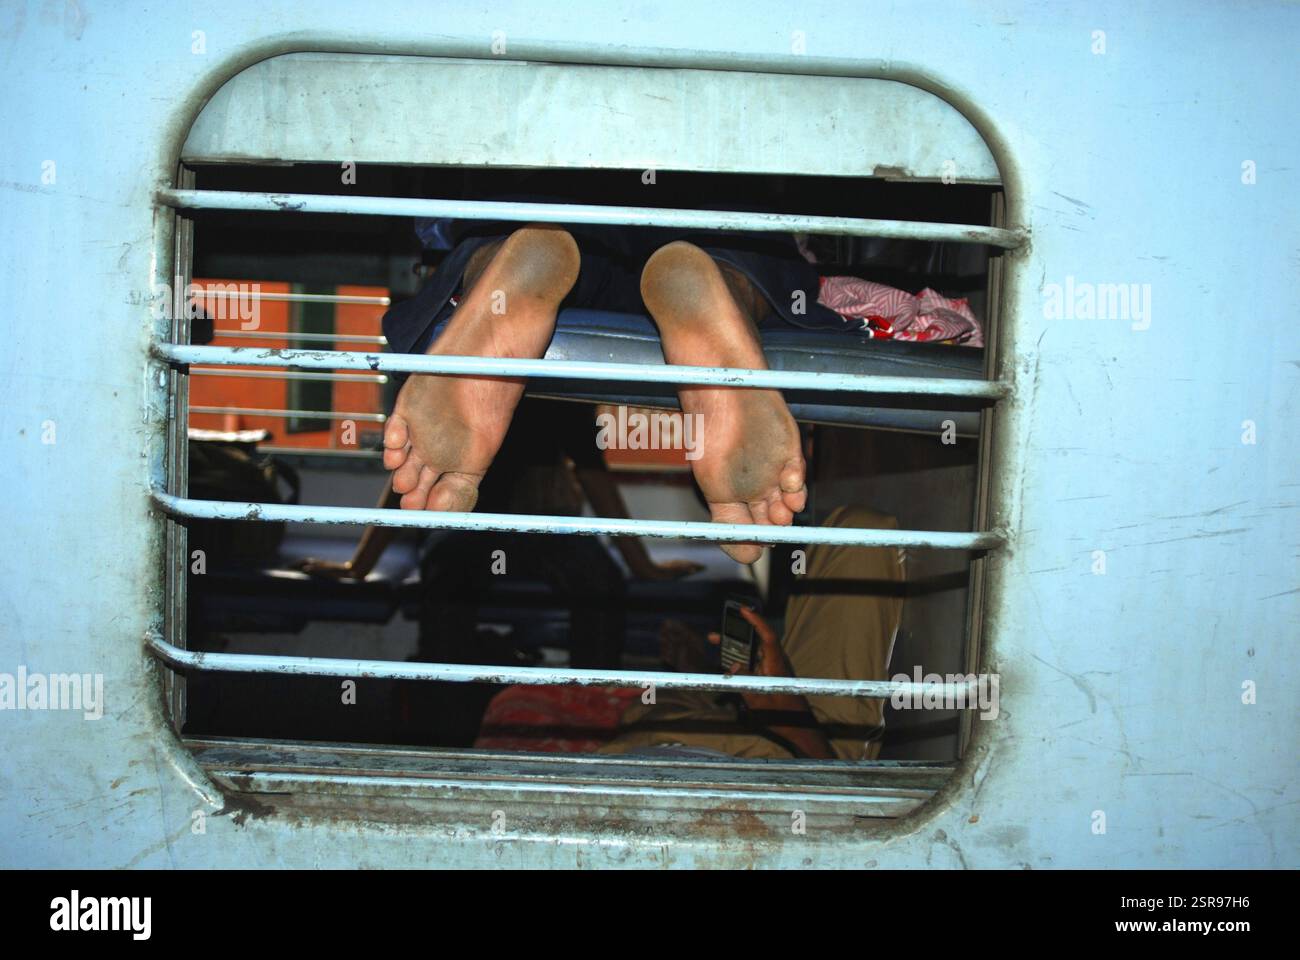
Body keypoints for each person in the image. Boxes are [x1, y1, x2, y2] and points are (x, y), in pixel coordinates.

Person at [380, 210, 854, 564]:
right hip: (704, 199)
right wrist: (643, 566)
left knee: (513, 233)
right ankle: (727, 284)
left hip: (551, 185)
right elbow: (592, 472)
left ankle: (501, 267)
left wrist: (358, 566)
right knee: (746, 249)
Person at [600, 506, 905, 761]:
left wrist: (699, 674)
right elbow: (833, 800)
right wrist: (791, 719)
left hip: (661, 743)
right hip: (801, 752)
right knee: (860, 535)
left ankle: (721, 688)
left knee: (652, 705)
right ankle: (756, 699)